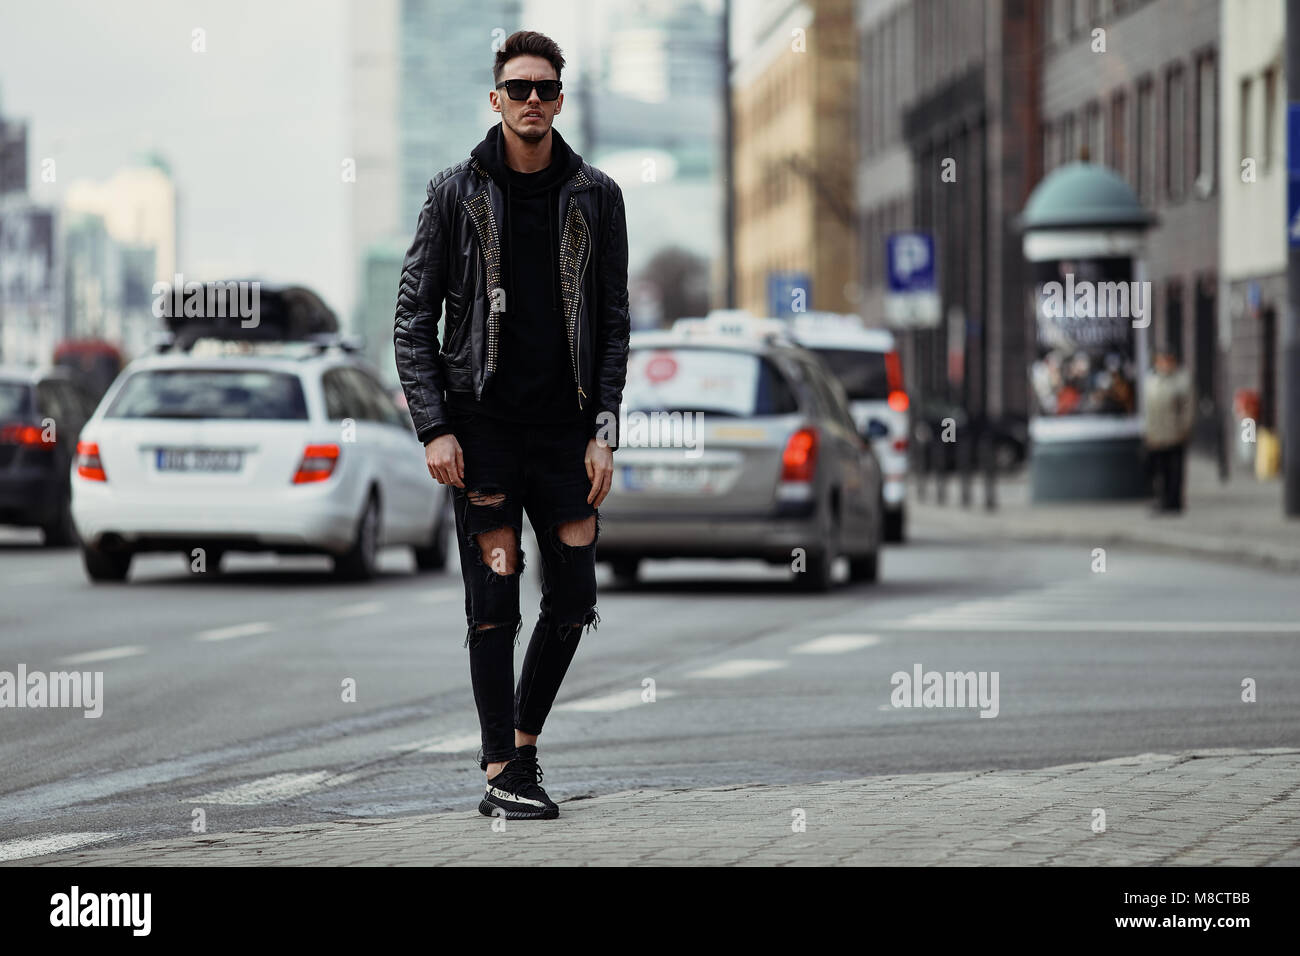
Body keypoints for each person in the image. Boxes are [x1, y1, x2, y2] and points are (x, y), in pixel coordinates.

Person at [394, 30, 630, 820]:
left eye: (546, 88)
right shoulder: (452, 193)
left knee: (572, 600)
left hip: (567, 434)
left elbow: (613, 320)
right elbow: (411, 319)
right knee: (495, 594)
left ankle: (521, 748)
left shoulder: (598, 196)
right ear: (495, 99)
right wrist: (434, 427)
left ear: (560, 100)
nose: (533, 100)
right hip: (483, 426)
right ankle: (502, 769)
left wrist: (604, 426)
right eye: (518, 87)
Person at [1143, 348, 1194, 513]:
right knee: (1160, 469)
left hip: (1175, 432)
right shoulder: (1151, 380)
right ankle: (1162, 499)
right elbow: (1148, 409)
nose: (1163, 364)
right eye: (1160, 361)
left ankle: (1175, 501)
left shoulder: (1181, 380)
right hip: (1157, 434)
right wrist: (1148, 431)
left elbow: (1188, 407)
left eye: (1166, 360)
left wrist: (1186, 428)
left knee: (1175, 469)